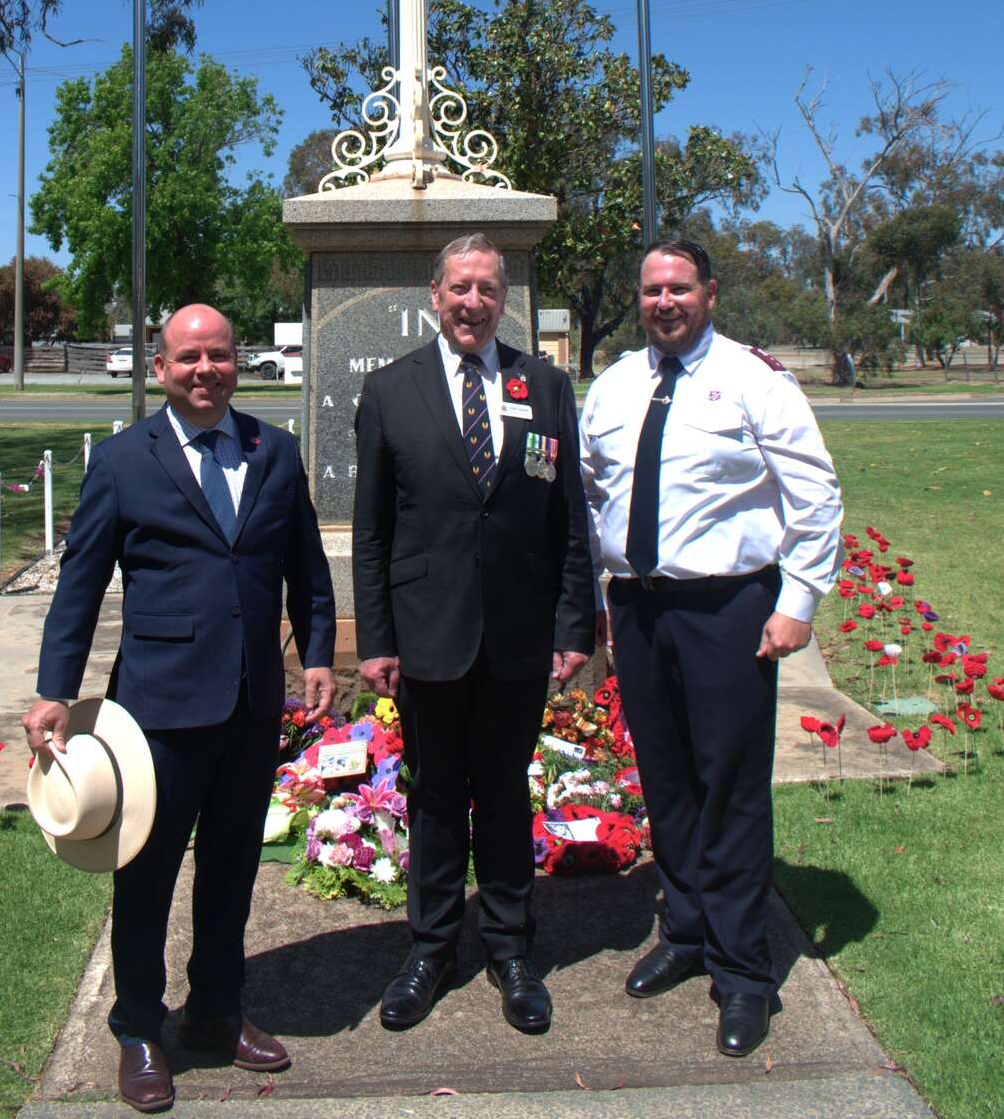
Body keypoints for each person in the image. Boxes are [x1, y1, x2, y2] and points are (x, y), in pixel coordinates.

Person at [22, 304, 335, 1114]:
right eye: (189, 357)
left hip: (249, 701)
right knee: (147, 874)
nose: (206, 370)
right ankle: (136, 1026)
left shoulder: (276, 450)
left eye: (220, 356)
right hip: (156, 710)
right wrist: (54, 690)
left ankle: (214, 1011)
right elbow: (81, 584)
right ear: (161, 369)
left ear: (238, 364)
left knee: (231, 867)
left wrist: (319, 654)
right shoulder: (126, 460)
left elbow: (306, 568)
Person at [579, 240, 842, 1059]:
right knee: (667, 784)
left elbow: (814, 491)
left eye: (679, 288)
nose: (665, 302)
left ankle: (742, 972)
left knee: (727, 789)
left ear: (709, 293)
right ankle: (686, 931)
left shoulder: (755, 379)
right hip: (641, 609)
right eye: (653, 289)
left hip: (727, 608)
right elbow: (592, 492)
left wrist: (796, 602)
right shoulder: (617, 384)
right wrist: (596, 599)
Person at [353, 233, 596, 1035]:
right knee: (432, 797)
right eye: (460, 288)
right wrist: (376, 639)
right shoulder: (391, 390)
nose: (473, 303)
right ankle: (428, 950)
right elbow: (374, 530)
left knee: (501, 793)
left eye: (487, 290)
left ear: (503, 300)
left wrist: (571, 623)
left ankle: (510, 949)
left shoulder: (545, 385)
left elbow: (566, 519)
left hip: (519, 635)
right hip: (429, 634)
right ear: (434, 295)